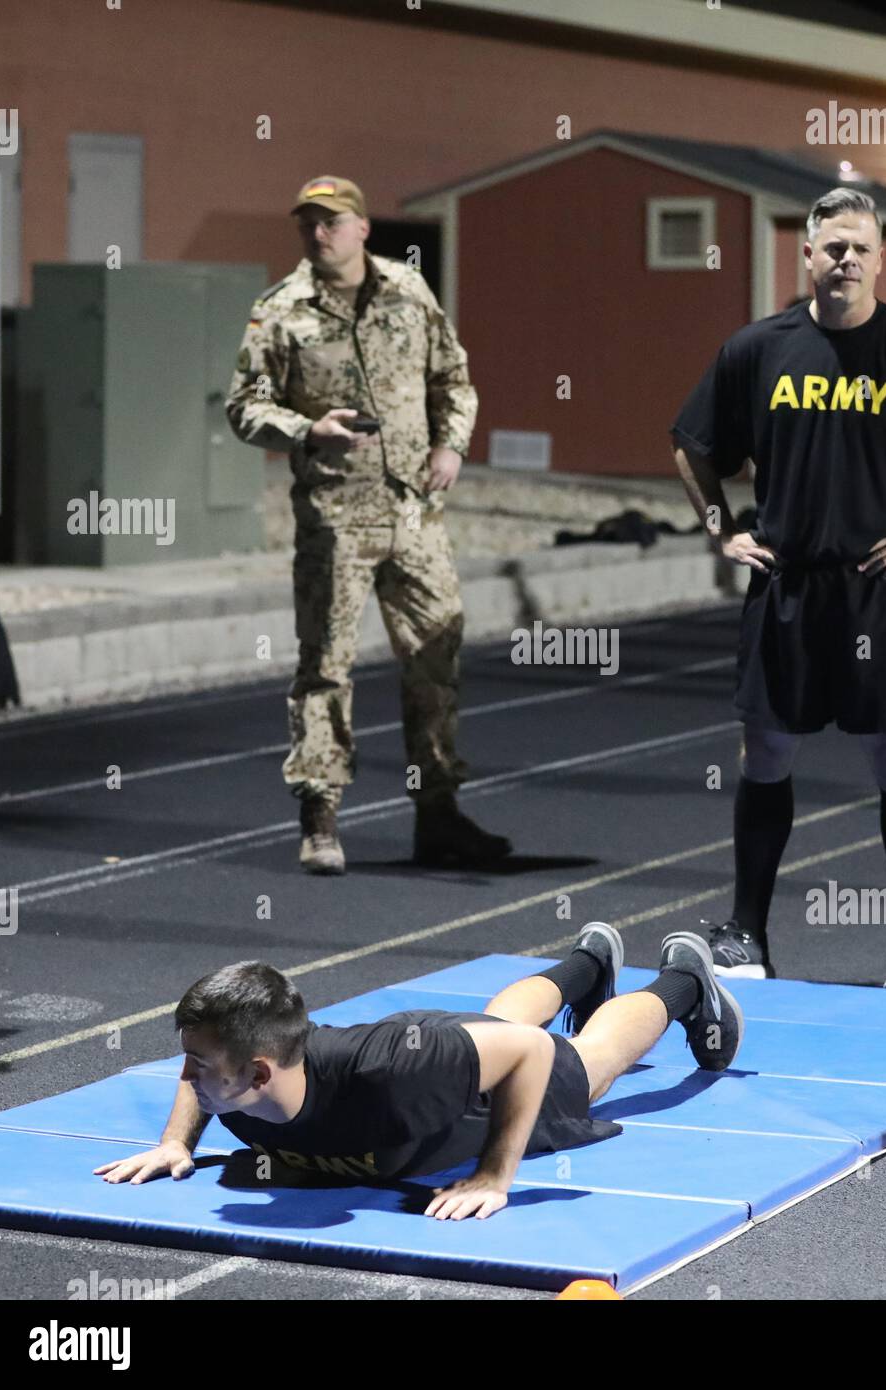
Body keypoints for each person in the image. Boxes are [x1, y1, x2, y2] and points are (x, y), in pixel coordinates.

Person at [670, 188, 886, 993]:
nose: (846, 260)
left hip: (878, 588)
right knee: (764, 751)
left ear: (879, 258)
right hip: (786, 585)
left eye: (860, 248)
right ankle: (748, 937)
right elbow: (691, 446)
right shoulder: (758, 349)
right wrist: (722, 527)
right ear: (808, 254)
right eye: (833, 247)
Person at [225, 176, 511, 874]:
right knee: (325, 667)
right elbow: (242, 404)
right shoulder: (281, 311)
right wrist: (305, 427)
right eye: (308, 224)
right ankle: (319, 820)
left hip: (415, 512)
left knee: (436, 659)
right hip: (335, 517)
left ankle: (438, 814)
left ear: (362, 228)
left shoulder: (409, 293)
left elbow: (455, 378)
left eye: (331, 222)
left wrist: (452, 445)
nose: (318, 234)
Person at [92, 925, 742, 1220]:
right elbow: (200, 1054)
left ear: (259, 1075)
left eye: (202, 1068)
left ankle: (687, 984)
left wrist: (493, 1176)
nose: (189, 1077)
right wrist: (176, 1142)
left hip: (429, 1066)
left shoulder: (383, 1076)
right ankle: (585, 969)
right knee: (495, 1026)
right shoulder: (232, 1075)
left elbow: (528, 1054)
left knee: (586, 1066)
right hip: (429, 1057)